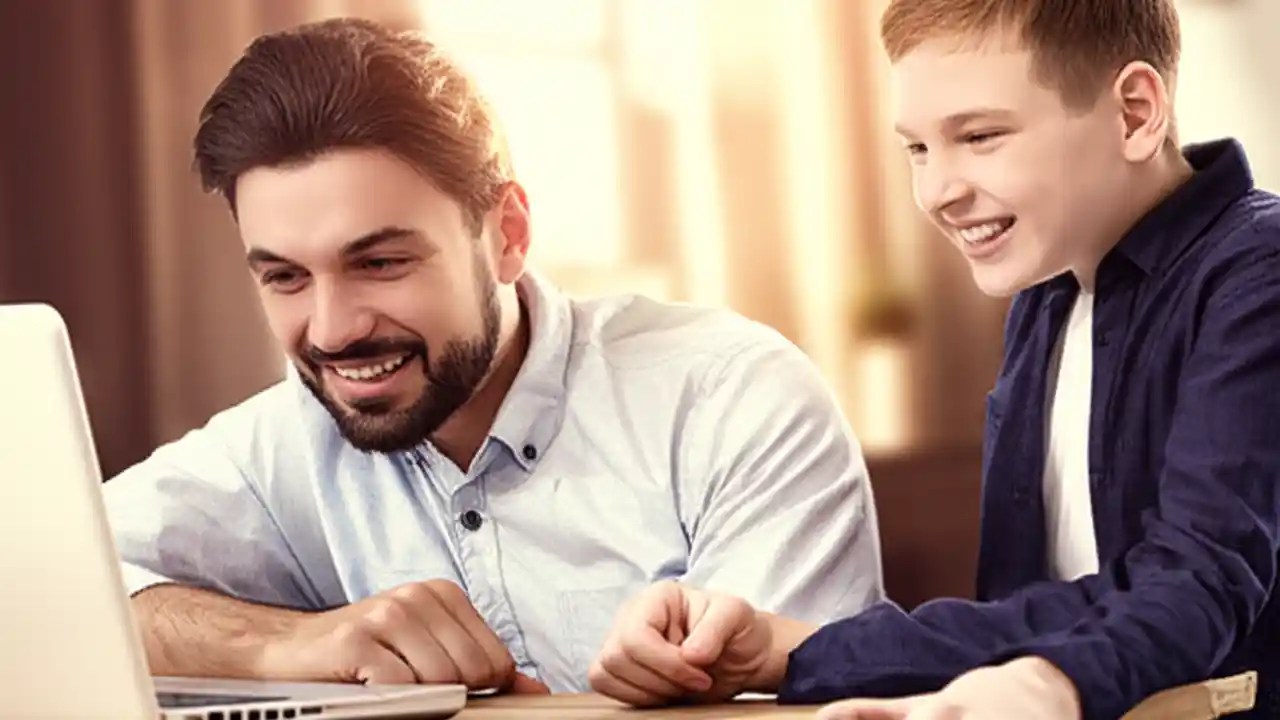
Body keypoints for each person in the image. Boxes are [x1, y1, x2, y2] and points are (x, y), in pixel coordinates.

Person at [102, 18, 883, 695]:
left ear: (507, 234)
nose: (333, 329)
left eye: (381, 263)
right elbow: (35, 586)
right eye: (285, 277)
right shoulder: (280, 444)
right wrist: (288, 645)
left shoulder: (731, 398)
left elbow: (805, 697)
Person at [589, 1, 1280, 717]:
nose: (936, 193)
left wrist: (1047, 682)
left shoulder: (1259, 272)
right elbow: (1033, 611)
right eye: (917, 149)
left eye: (979, 136)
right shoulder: (1048, 295)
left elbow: (1198, 581)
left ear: (1134, 114)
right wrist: (782, 650)